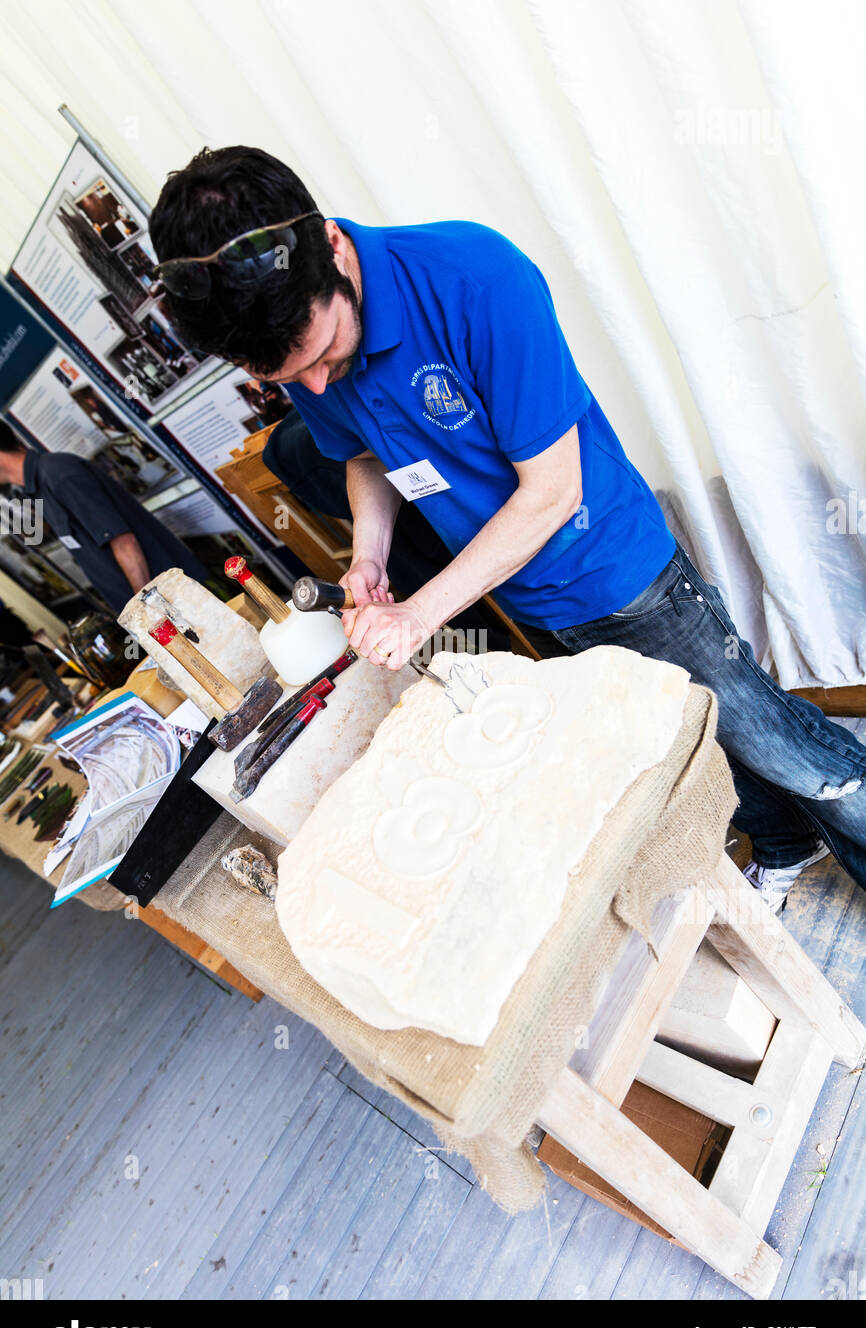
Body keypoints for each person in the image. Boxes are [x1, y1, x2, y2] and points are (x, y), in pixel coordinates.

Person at [148, 146, 866, 911]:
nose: (318, 384)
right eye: (293, 379)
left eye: (324, 353)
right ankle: (787, 840)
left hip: (619, 575)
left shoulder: (476, 279)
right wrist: (369, 555)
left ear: (329, 245)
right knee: (680, 737)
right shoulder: (298, 342)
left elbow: (552, 496)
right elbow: (358, 450)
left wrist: (420, 612)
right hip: (522, 591)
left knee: (777, 742)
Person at [0, 422, 210, 612]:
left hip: (173, 602)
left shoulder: (59, 474)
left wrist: (147, 609)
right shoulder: (34, 489)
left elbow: (124, 541)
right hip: (154, 607)